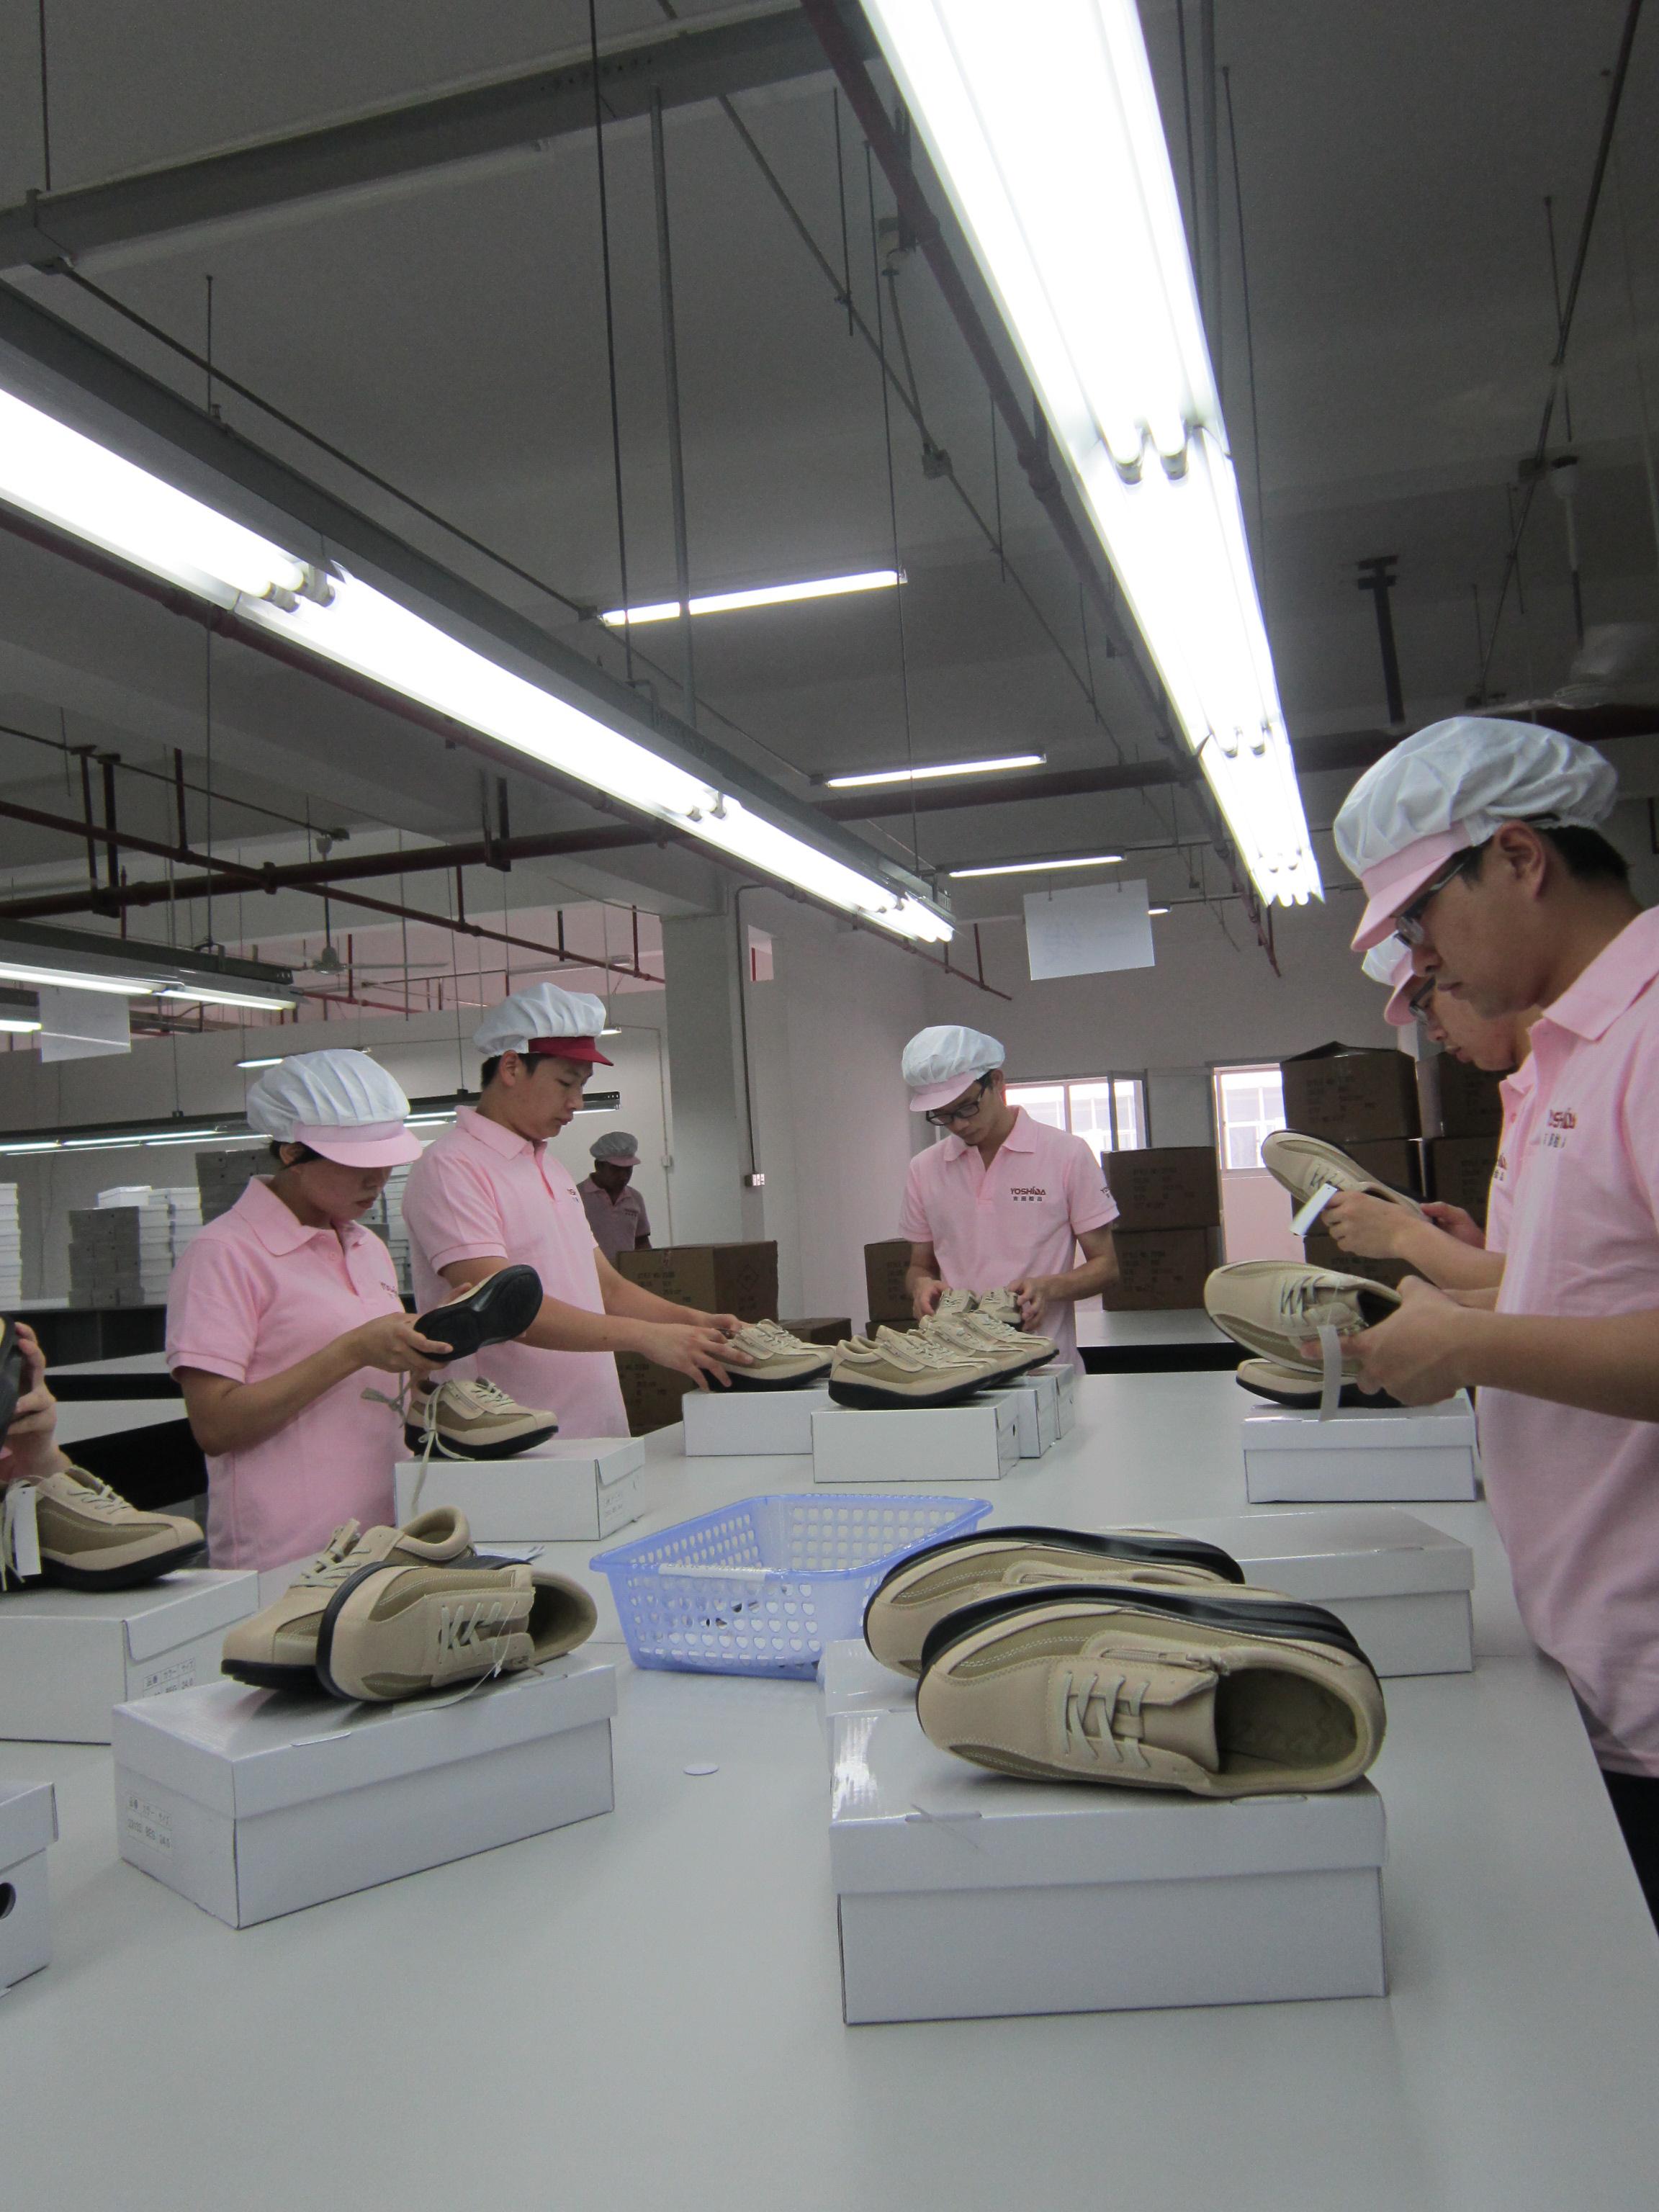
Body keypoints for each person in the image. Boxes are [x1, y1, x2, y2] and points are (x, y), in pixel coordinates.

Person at [1329, 714, 1659, 1916]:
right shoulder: (1575, 1055)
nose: (1422, 959)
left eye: (1421, 918)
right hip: (1598, 1661)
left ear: (1518, 857)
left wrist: (1469, 1340)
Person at [401, 982, 748, 1438]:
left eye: (583, 1086)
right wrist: (644, 1337)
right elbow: (499, 1309)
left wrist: (694, 1322)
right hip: (512, 1437)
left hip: (594, 1425)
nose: (576, 1103)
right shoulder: (452, 1167)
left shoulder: (550, 1168)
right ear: (511, 1066)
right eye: (566, 1083)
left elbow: (607, 1287)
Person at [166, 1051, 446, 1571]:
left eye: (385, 1161)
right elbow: (216, 1425)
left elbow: (377, 1400)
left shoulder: (365, 1247)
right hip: (287, 1555)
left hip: (384, 1535)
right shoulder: (225, 1254)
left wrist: (425, 1357)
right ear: (293, 1153)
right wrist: (352, 1351)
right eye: (357, 1164)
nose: (378, 1179)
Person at [897, 1024, 1120, 1372]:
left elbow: (1106, 1266)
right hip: (958, 1372)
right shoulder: (924, 1169)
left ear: (997, 1082)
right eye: (942, 1115)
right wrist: (921, 1286)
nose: (958, 1125)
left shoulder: (1066, 1155)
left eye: (966, 1107)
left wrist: (1048, 1288)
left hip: (1047, 1370)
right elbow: (919, 1265)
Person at [1321, 937, 1535, 1288]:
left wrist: (1405, 1235)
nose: (1434, 1033)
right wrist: (1474, 1251)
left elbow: (1575, 1298)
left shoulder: (1593, 1079)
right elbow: (1544, 1286)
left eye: (1424, 1007)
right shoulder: (1525, 1095)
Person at [579, 1131, 652, 1261]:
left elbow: (642, 1243)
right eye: (616, 1169)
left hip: (627, 1271)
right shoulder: (577, 1197)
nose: (623, 1176)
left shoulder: (635, 1198)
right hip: (588, 1271)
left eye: (628, 1169)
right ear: (599, 1165)